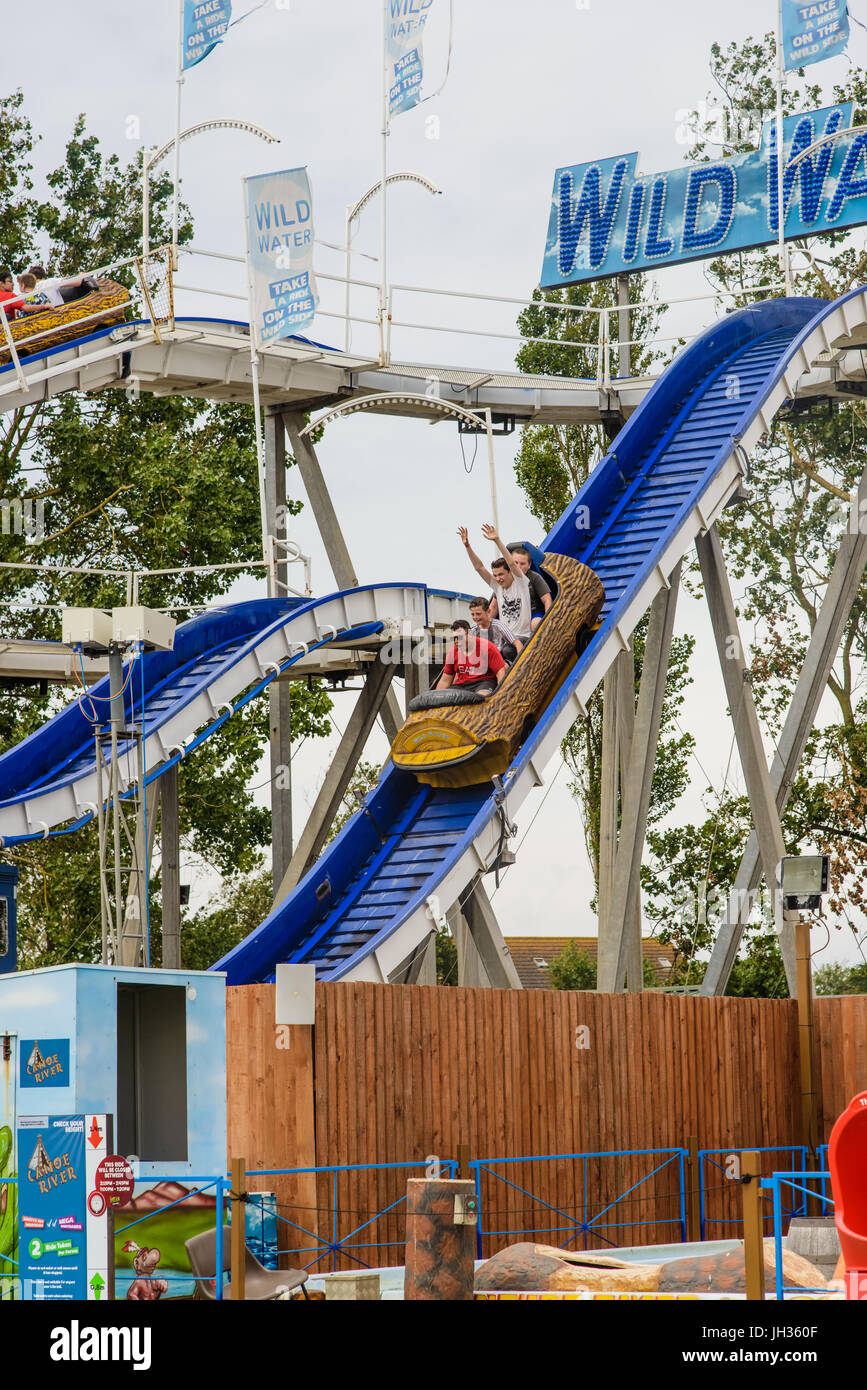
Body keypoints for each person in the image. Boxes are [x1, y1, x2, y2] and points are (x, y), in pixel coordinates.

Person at [458, 523, 535, 644]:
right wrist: (467, 545)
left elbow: (511, 563)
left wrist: (497, 540)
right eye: (495, 575)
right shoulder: (498, 587)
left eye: (501, 574)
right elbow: (479, 568)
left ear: (510, 573)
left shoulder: (521, 582)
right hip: (504, 639)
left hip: (521, 637)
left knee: (508, 650)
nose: (498, 579)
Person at [436, 620, 505, 697]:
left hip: (484, 682)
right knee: (446, 697)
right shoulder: (452, 652)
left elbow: (500, 673)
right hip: (463, 685)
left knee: (481, 697)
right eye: (454, 638)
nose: (456, 641)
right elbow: (445, 681)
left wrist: (501, 694)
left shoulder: (488, 647)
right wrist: (436, 698)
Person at [508, 544, 552, 620]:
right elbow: (494, 606)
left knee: (536, 623)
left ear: (529, 565)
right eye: (515, 563)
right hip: (514, 616)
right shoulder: (505, 578)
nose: (518, 567)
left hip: (534, 613)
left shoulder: (534, 577)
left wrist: (548, 620)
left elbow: (547, 600)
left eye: (522, 564)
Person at [468, 597, 517, 663]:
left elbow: (517, 642)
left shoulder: (498, 625)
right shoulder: (472, 629)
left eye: (478, 614)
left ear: (488, 612)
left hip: (498, 661)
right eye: (472, 614)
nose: (475, 617)